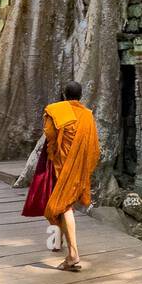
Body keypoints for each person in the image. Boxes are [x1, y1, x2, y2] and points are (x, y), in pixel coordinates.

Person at [40, 81, 100, 272]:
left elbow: (49, 135)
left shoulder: (55, 111)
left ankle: (72, 254)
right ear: (81, 96)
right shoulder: (87, 116)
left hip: (59, 166)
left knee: (61, 206)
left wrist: (54, 151)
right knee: (65, 207)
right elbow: (94, 147)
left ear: (64, 95)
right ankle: (59, 244)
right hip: (78, 168)